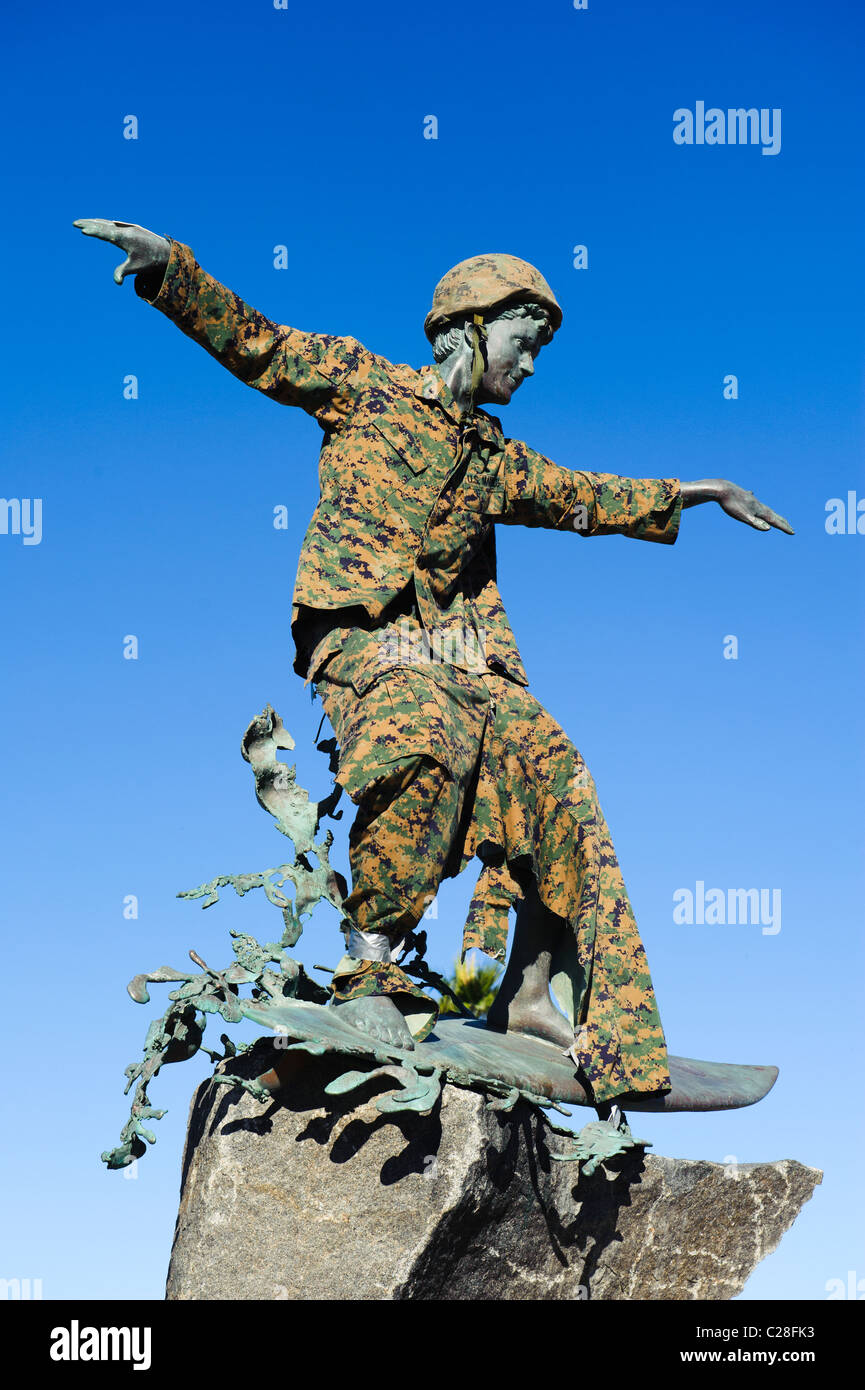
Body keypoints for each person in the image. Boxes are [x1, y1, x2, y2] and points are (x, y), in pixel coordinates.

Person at [73, 219, 793, 1104]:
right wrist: (172, 271)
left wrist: (701, 490)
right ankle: (373, 976)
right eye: (522, 346)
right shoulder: (362, 385)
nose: (529, 368)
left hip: (463, 656)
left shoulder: (494, 459)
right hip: (365, 639)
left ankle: (541, 999)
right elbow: (258, 344)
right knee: (424, 734)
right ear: (469, 328)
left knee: (554, 766)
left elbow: (585, 496)